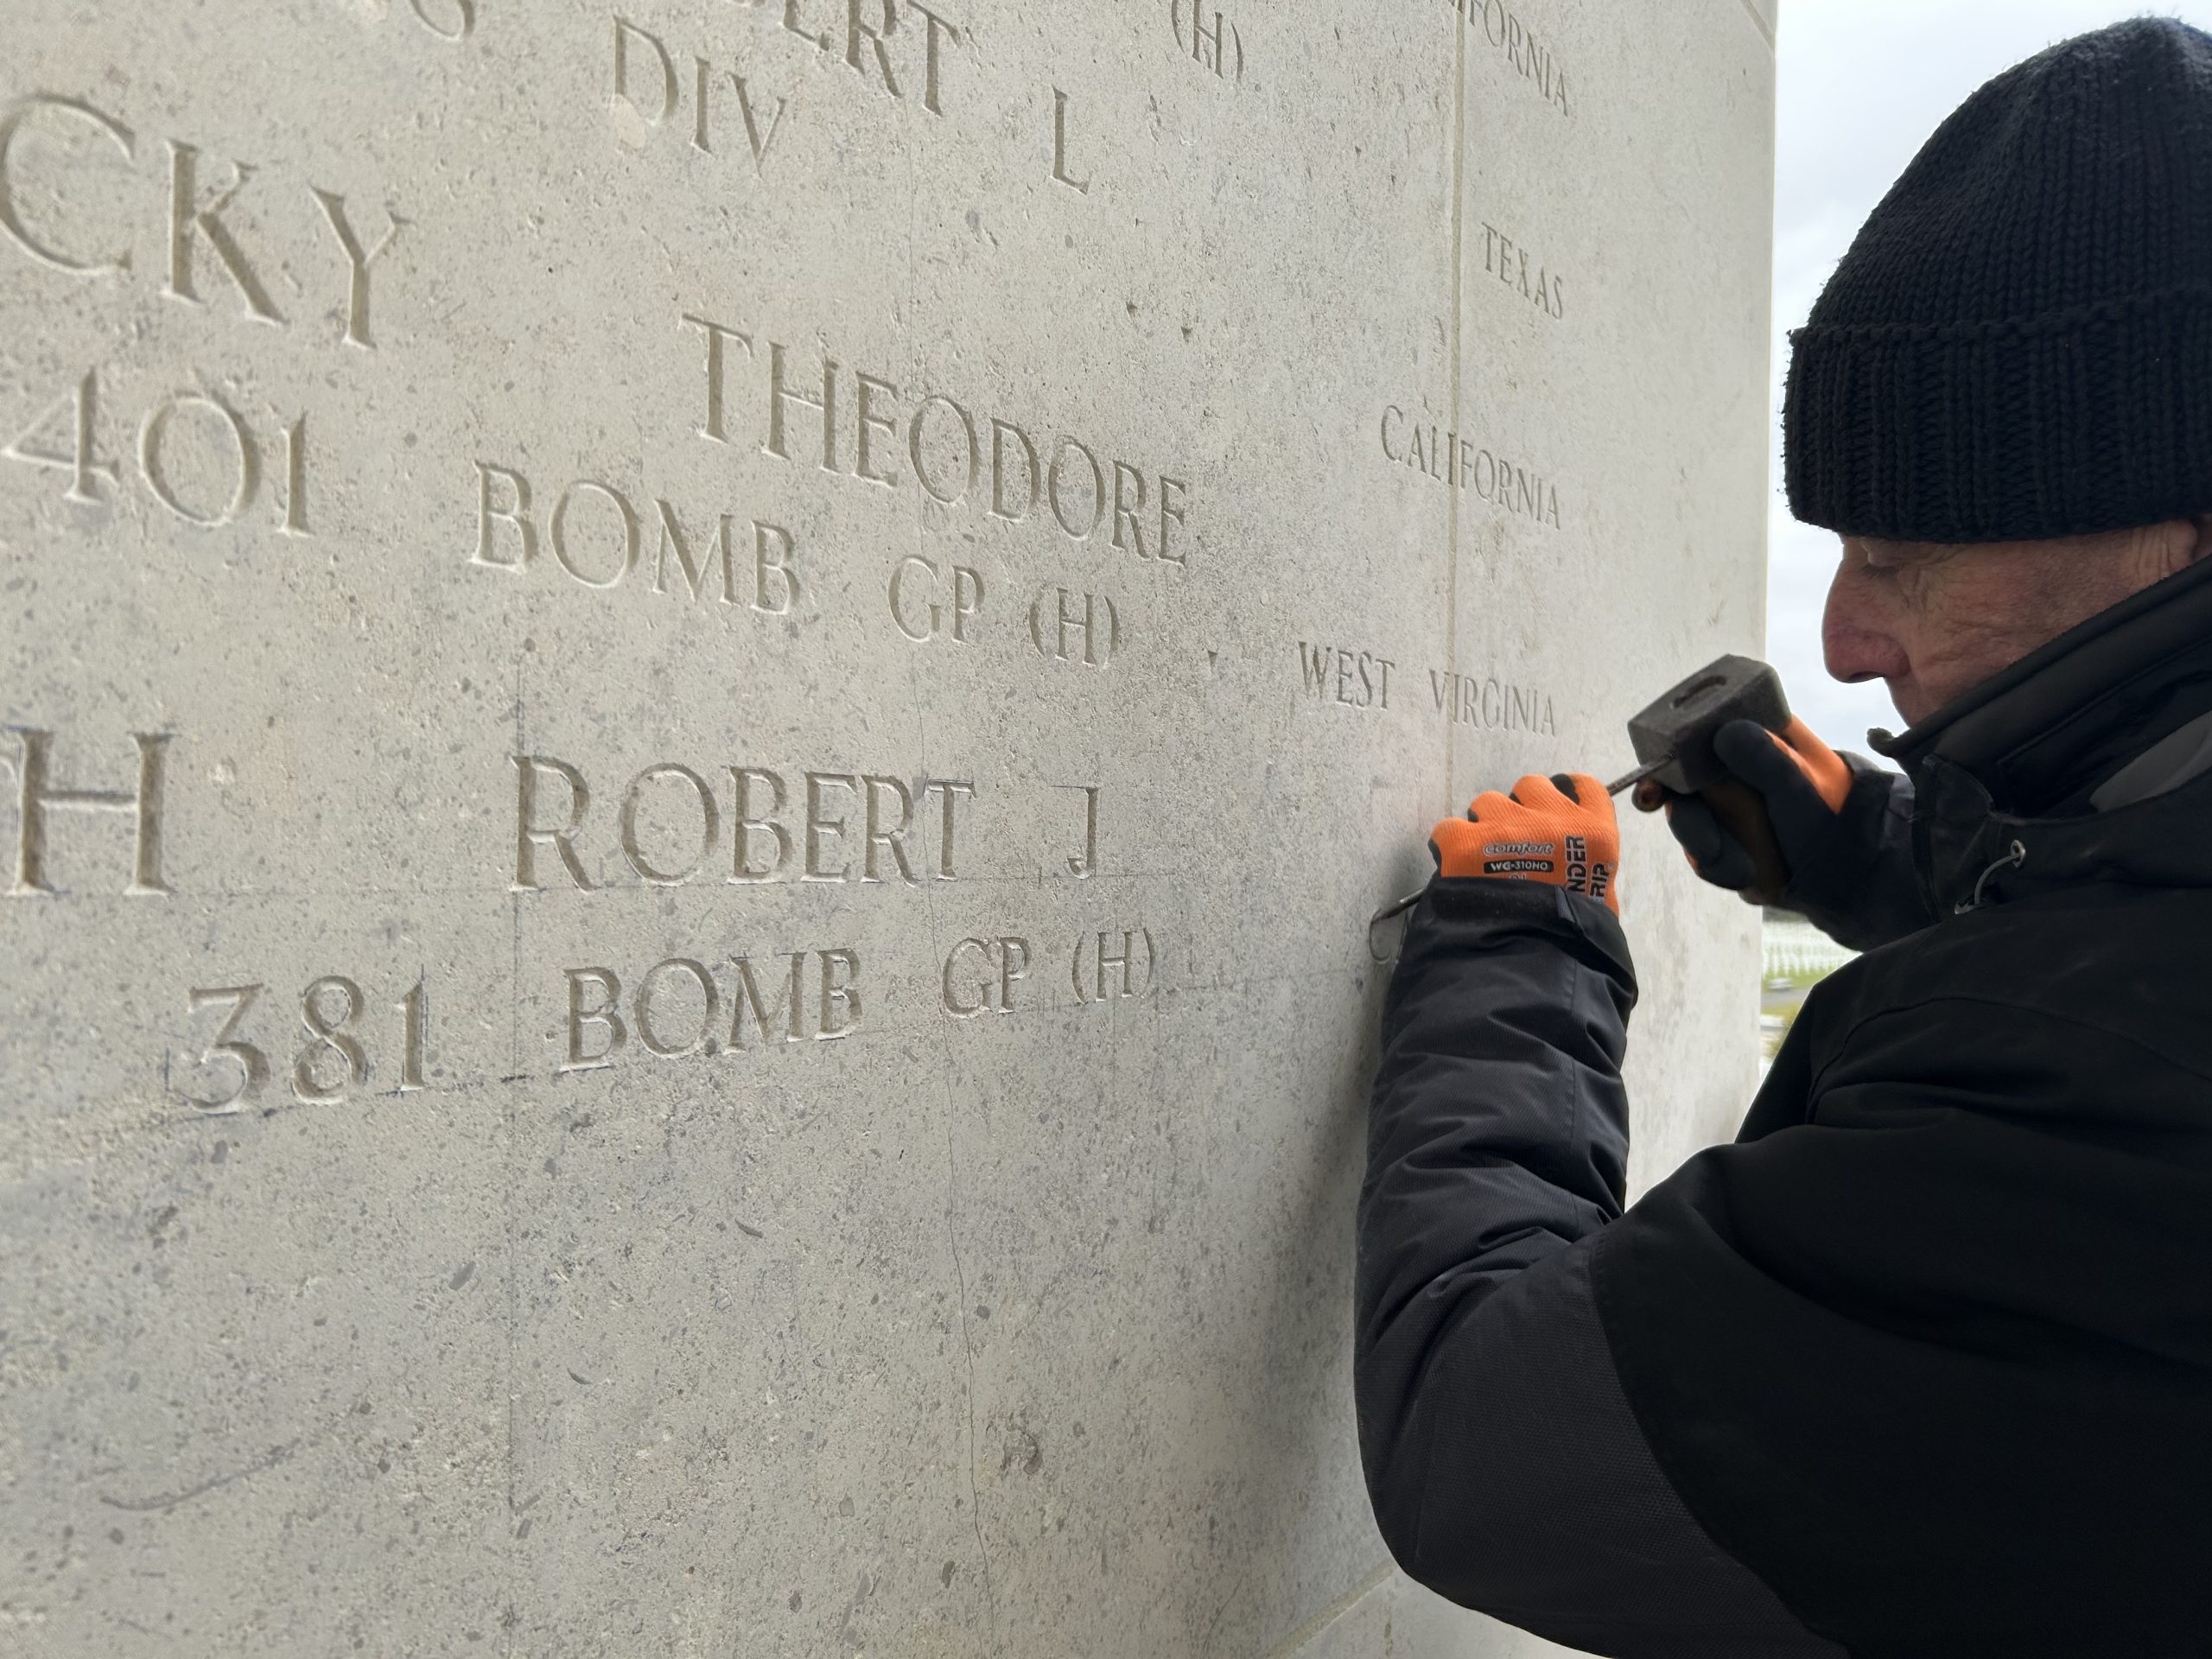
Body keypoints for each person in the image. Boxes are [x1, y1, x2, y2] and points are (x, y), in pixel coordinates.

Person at [1355, 18, 2212, 1655]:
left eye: (1903, 554)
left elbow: (1486, 1446)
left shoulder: (2110, 1115)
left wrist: (1519, 949)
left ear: (2175, 531)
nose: (1840, 637)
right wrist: (1863, 845)